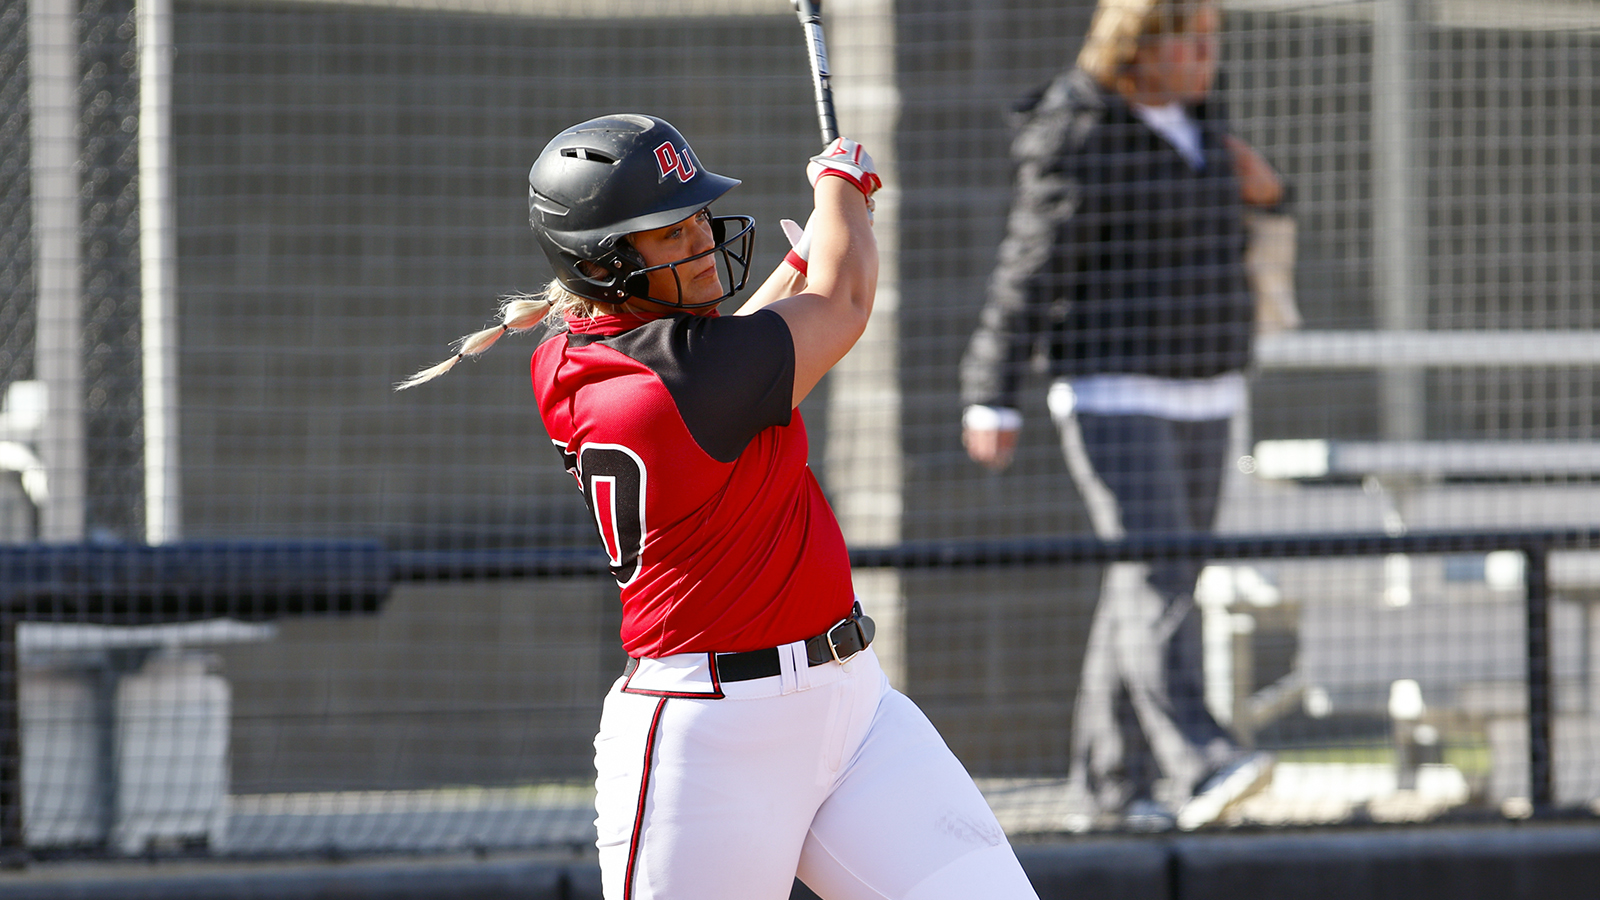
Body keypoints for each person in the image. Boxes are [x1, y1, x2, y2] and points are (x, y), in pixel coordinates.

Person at [401, 114, 1039, 900]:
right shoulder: (682, 381)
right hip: (708, 740)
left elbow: (730, 359)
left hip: (855, 711)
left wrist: (797, 262)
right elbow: (843, 300)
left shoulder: (583, 355)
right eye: (671, 232)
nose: (702, 238)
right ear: (603, 263)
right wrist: (843, 184)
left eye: (698, 215)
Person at [959, 0, 1283, 832]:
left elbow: (1242, 228)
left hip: (1209, 386)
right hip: (1115, 391)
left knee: (1147, 580)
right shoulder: (1080, 131)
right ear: (1137, 48)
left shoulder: (1203, 124)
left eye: (1212, 42)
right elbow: (1028, 266)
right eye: (1190, 42)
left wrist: (1274, 193)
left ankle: (1107, 793)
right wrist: (991, 391)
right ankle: (1201, 760)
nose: (1207, 58)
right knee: (1158, 572)